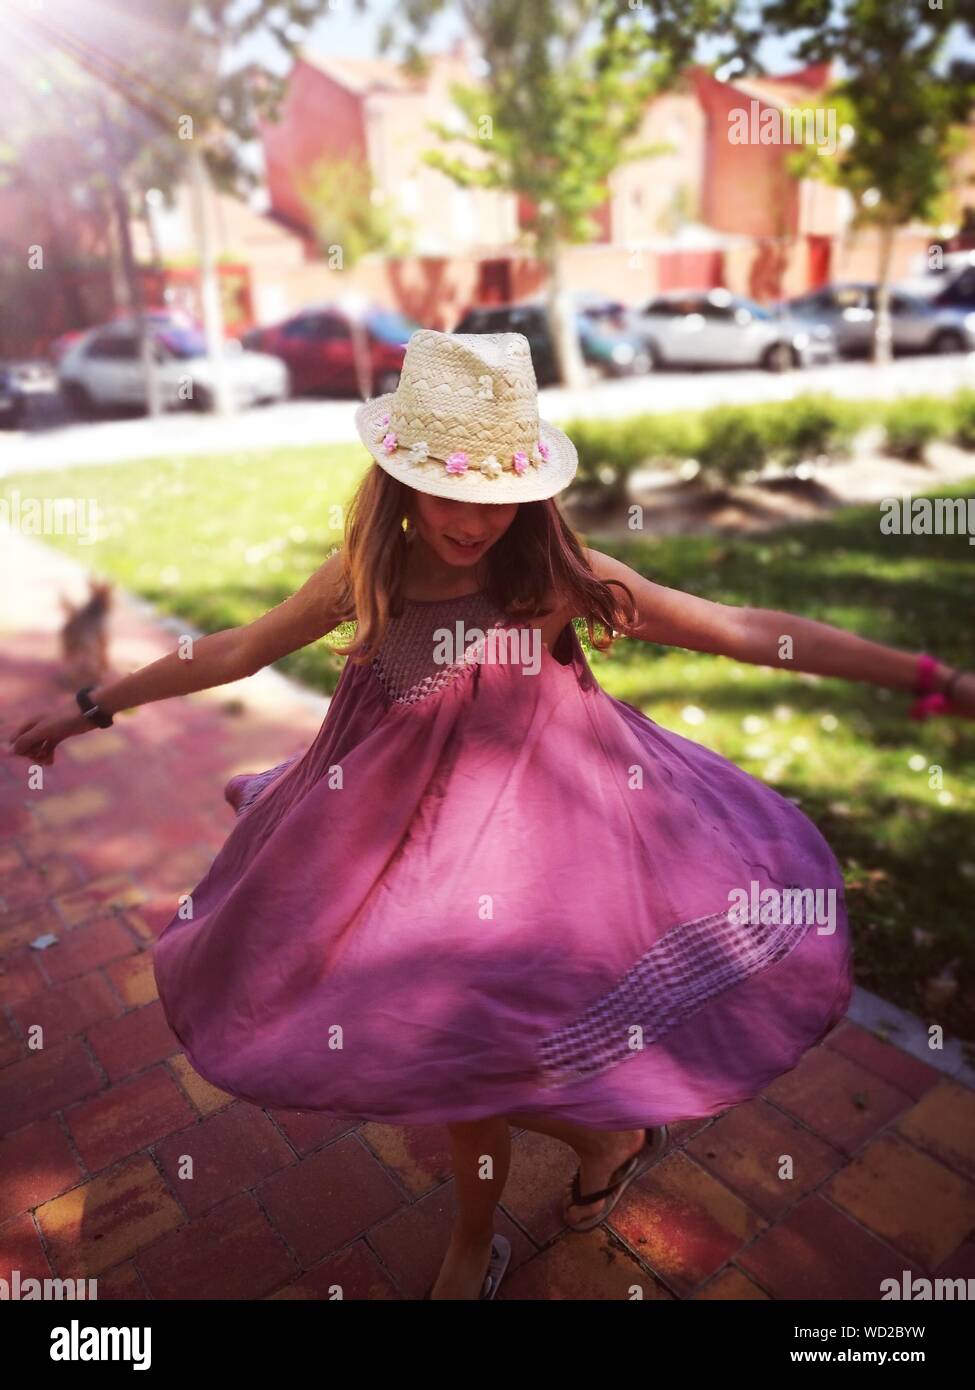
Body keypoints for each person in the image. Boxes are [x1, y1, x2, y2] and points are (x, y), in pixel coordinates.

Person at [9, 330, 973, 1302]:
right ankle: (606, 1138)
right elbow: (236, 647)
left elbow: (747, 631)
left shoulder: (549, 574)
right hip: (388, 841)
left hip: (529, 841)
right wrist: (93, 706)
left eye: (498, 498)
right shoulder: (369, 572)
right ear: (398, 482)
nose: (475, 521)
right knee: (439, 1044)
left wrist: (926, 676)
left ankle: (477, 1243)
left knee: (467, 1050)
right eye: (449, 494)